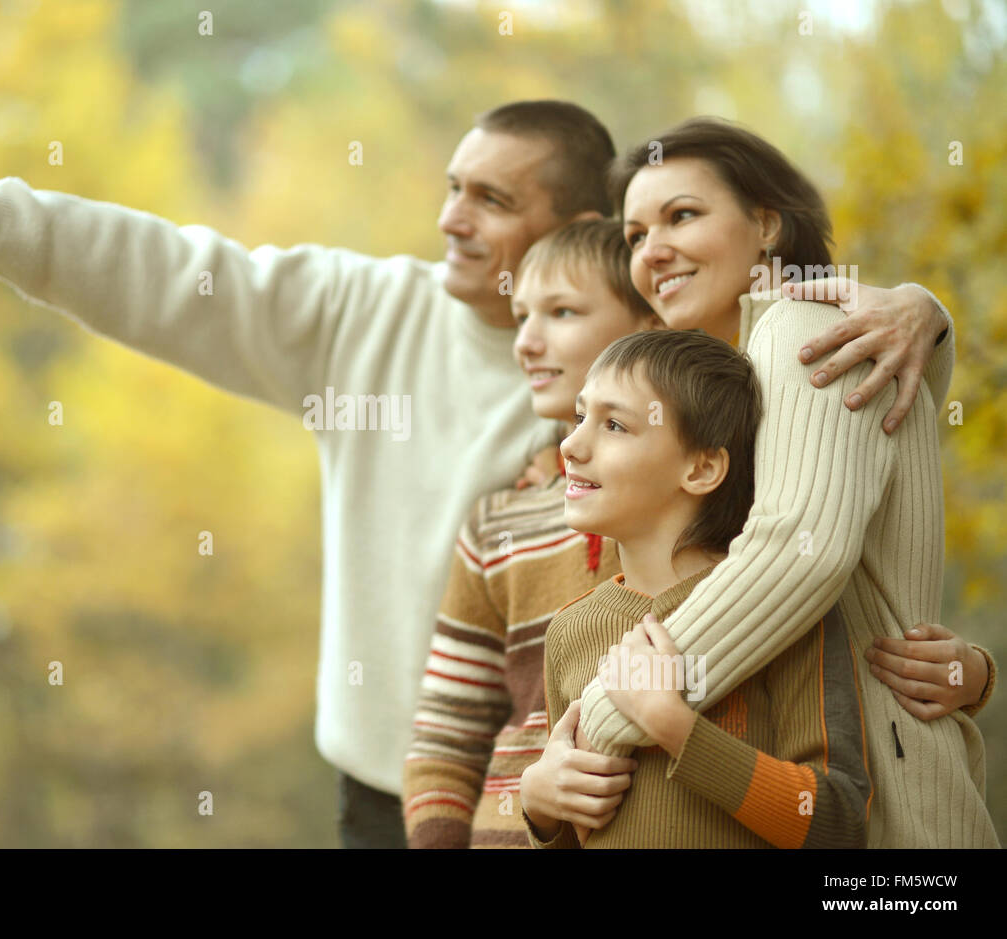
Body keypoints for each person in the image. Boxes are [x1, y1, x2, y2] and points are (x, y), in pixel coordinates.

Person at [0, 101, 964, 848]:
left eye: (491, 200)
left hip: (655, 780)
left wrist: (922, 308)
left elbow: (814, 545)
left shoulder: (689, 378)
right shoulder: (364, 316)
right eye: (449, 185)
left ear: (581, 230)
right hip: (407, 779)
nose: (450, 219)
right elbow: (172, 271)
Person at [565, 117, 998, 847]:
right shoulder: (731, 379)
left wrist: (604, 718)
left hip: (888, 812)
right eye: (636, 234)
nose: (653, 249)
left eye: (682, 215)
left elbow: (800, 548)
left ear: (766, 224)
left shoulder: (801, 326)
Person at [529, 328, 870, 848]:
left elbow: (838, 823)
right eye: (579, 418)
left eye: (614, 424)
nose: (571, 445)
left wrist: (674, 727)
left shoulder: (784, 607)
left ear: (702, 467)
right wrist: (541, 807)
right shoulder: (569, 631)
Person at [403, 219, 655, 848]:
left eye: (562, 312)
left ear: (651, 326)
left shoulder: (713, 500)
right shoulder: (495, 524)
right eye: (521, 318)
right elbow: (445, 739)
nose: (527, 343)